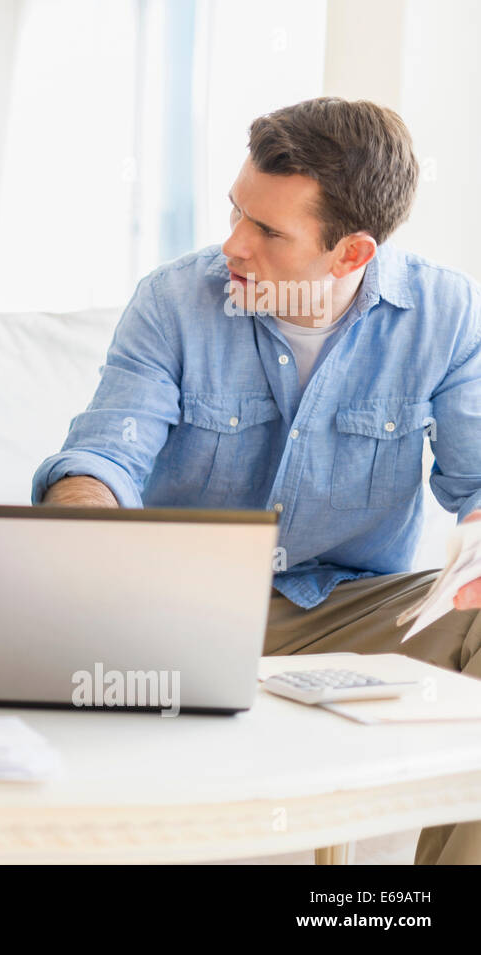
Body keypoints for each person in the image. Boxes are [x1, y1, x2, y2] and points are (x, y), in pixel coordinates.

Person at [32, 97, 481, 864]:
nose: (233, 244)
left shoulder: (444, 311)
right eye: (236, 211)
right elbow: (105, 456)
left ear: (352, 254)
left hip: (345, 613)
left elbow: (475, 484)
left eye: (268, 231)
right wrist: (86, 530)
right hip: (177, 616)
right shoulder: (175, 300)